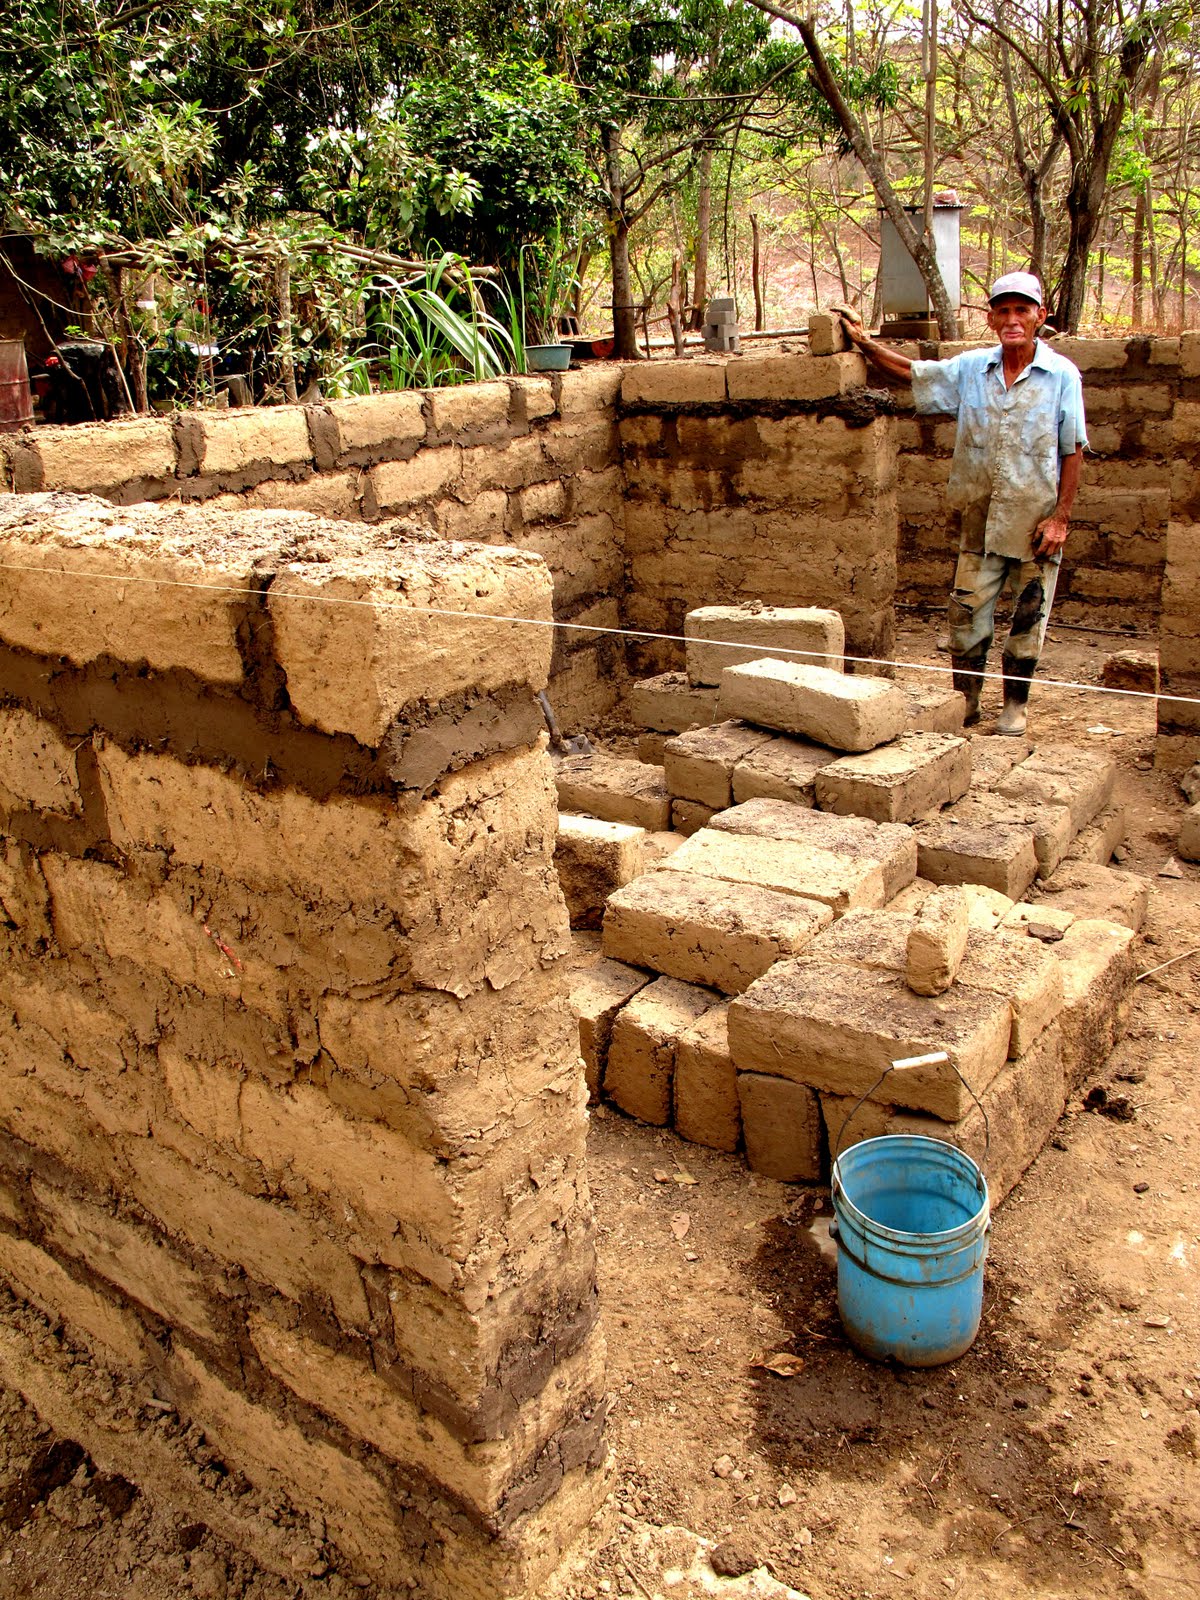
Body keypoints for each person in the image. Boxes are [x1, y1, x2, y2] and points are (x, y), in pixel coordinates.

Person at [841, 272, 1087, 735]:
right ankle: (967, 704)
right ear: (992, 318)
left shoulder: (1061, 375)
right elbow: (914, 373)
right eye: (1004, 312)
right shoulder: (974, 368)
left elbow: (1072, 448)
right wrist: (865, 345)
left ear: (1040, 316)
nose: (1013, 320)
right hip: (979, 520)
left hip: (1034, 522)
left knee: (1029, 614)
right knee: (966, 615)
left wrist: (1060, 519)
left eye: (1022, 311)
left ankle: (1015, 705)